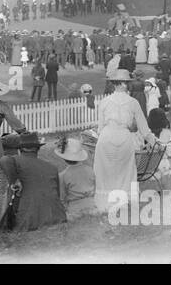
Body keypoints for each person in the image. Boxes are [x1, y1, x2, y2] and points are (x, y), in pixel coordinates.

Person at [93, 69, 156, 215]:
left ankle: (106, 203)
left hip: (106, 137)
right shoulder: (132, 102)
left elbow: (100, 128)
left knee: (107, 171)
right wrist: (153, 140)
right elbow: (144, 128)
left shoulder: (104, 102)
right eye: (126, 82)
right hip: (123, 137)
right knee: (125, 170)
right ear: (121, 83)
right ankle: (123, 202)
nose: (128, 85)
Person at [0, 132, 67, 232]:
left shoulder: (14, 161)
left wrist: (15, 180)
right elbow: (57, 195)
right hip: (58, 217)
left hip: (30, 221)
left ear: (20, 149)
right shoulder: (52, 168)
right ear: (38, 148)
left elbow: (4, 159)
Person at [54, 137, 95, 221]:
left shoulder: (63, 175)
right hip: (92, 206)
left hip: (75, 209)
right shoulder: (90, 169)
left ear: (64, 158)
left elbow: (62, 198)